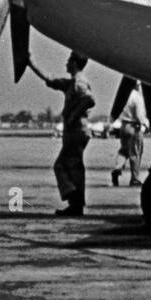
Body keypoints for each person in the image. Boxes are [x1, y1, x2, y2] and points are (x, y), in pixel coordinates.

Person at [31, 52, 95, 216]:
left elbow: (89, 99)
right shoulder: (71, 83)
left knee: (61, 165)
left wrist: (73, 115)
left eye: (68, 61)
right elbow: (50, 80)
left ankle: (73, 196)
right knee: (75, 168)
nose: (66, 64)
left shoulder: (78, 82)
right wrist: (30, 63)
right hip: (76, 130)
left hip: (76, 130)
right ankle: (76, 204)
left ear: (74, 63)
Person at [111, 83, 148, 186]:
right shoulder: (137, 97)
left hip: (123, 125)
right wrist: (146, 124)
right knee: (135, 153)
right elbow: (139, 115)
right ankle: (134, 178)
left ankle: (118, 168)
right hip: (134, 127)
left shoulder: (124, 96)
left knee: (124, 150)